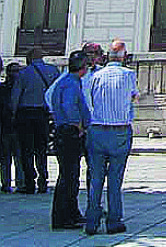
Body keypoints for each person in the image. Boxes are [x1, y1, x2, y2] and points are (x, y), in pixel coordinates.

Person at [83, 39, 139, 235]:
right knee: (115, 180)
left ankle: (91, 220)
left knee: (95, 178)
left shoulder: (96, 76)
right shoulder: (128, 75)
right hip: (120, 130)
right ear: (124, 56)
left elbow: (88, 100)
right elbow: (134, 97)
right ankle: (114, 220)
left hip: (97, 129)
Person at [48, 50, 91, 230]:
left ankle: (72, 213)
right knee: (68, 176)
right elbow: (69, 106)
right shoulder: (71, 85)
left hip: (65, 132)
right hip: (68, 133)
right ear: (83, 67)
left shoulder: (67, 82)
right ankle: (63, 217)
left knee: (71, 176)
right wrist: (78, 125)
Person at [10, 47, 59, 194]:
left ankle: (29, 183)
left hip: (26, 113)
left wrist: (13, 113)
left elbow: (15, 97)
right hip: (44, 113)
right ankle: (43, 181)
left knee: (27, 150)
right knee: (41, 149)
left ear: (29, 58)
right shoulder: (53, 71)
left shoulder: (24, 73)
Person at [1, 62, 24, 193]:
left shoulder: (22, 88)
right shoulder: (3, 89)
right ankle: (6, 183)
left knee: (18, 157)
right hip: (7, 126)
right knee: (7, 157)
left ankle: (18, 183)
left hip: (18, 127)